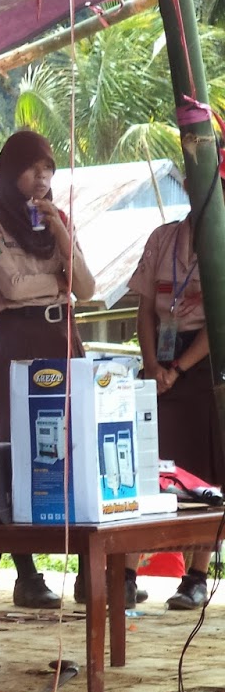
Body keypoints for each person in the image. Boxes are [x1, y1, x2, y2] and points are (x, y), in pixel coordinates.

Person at [0, 130, 99, 610]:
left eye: (48, 168)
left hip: (63, 335)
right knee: (18, 446)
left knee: (77, 442)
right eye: (32, 167)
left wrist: (60, 233)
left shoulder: (57, 217)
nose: (41, 177)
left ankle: (89, 571)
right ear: (10, 172)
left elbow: (84, 287)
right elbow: (13, 285)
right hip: (19, 336)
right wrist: (56, 278)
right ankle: (27, 574)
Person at [130, 215, 218, 610]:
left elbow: (221, 322)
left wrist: (179, 369)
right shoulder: (163, 237)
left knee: (205, 469)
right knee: (143, 465)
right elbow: (145, 307)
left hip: (205, 361)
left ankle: (196, 577)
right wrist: (152, 365)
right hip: (159, 356)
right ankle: (126, 573)